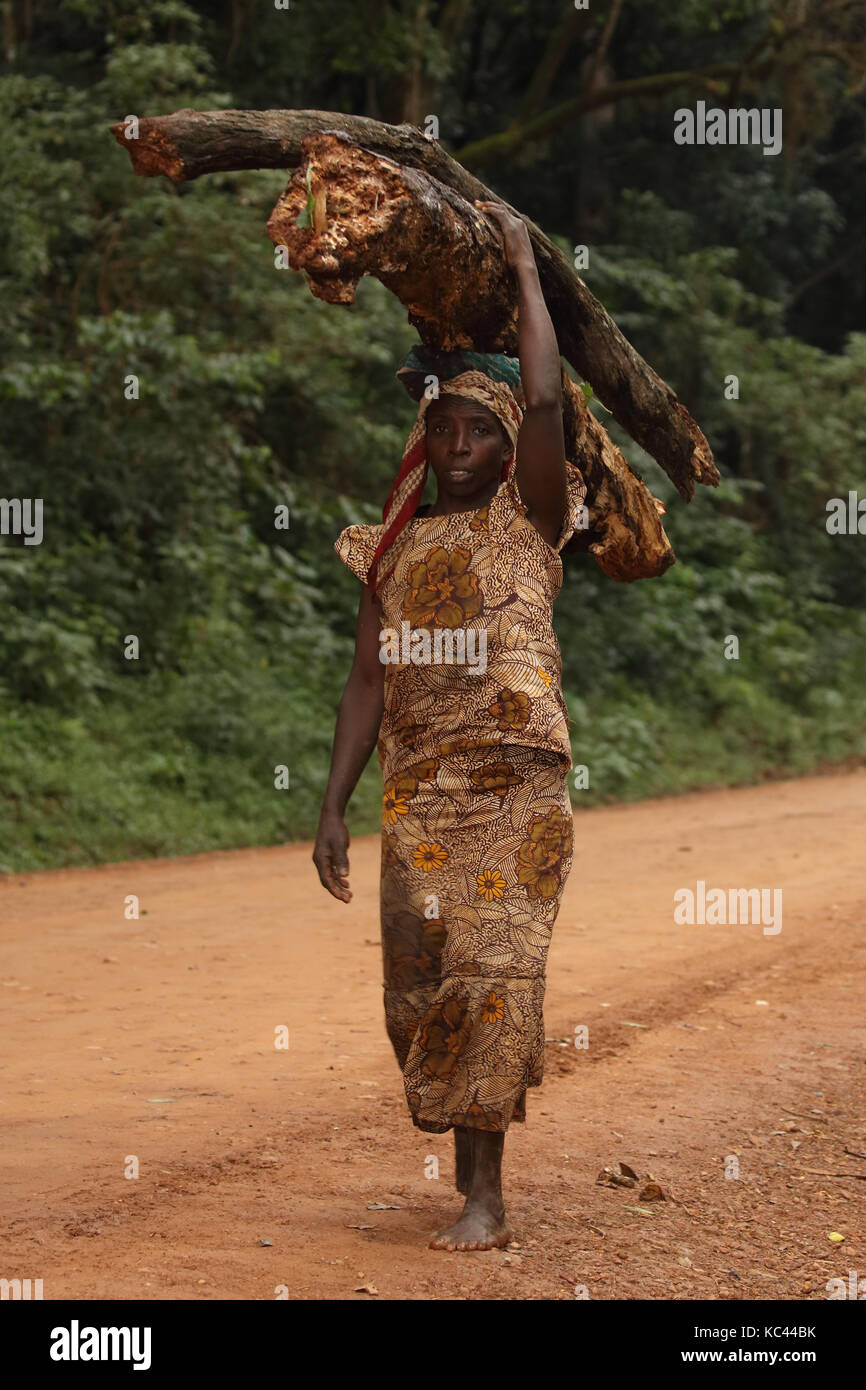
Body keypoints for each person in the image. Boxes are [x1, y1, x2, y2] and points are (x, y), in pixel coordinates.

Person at [313, 201, 587, 1252]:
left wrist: (522, 266)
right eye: (448, 429)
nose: (464, 445)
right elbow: (364, 682)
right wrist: (332, 803)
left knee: (490, 974)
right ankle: (463, 1151)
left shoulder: (530, 515)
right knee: (415, 991)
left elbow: (548, 393)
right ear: (425, 439)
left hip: (518, 785)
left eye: (483, 430)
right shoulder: (388, 547)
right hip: (418, 790)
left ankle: (486, 1193)